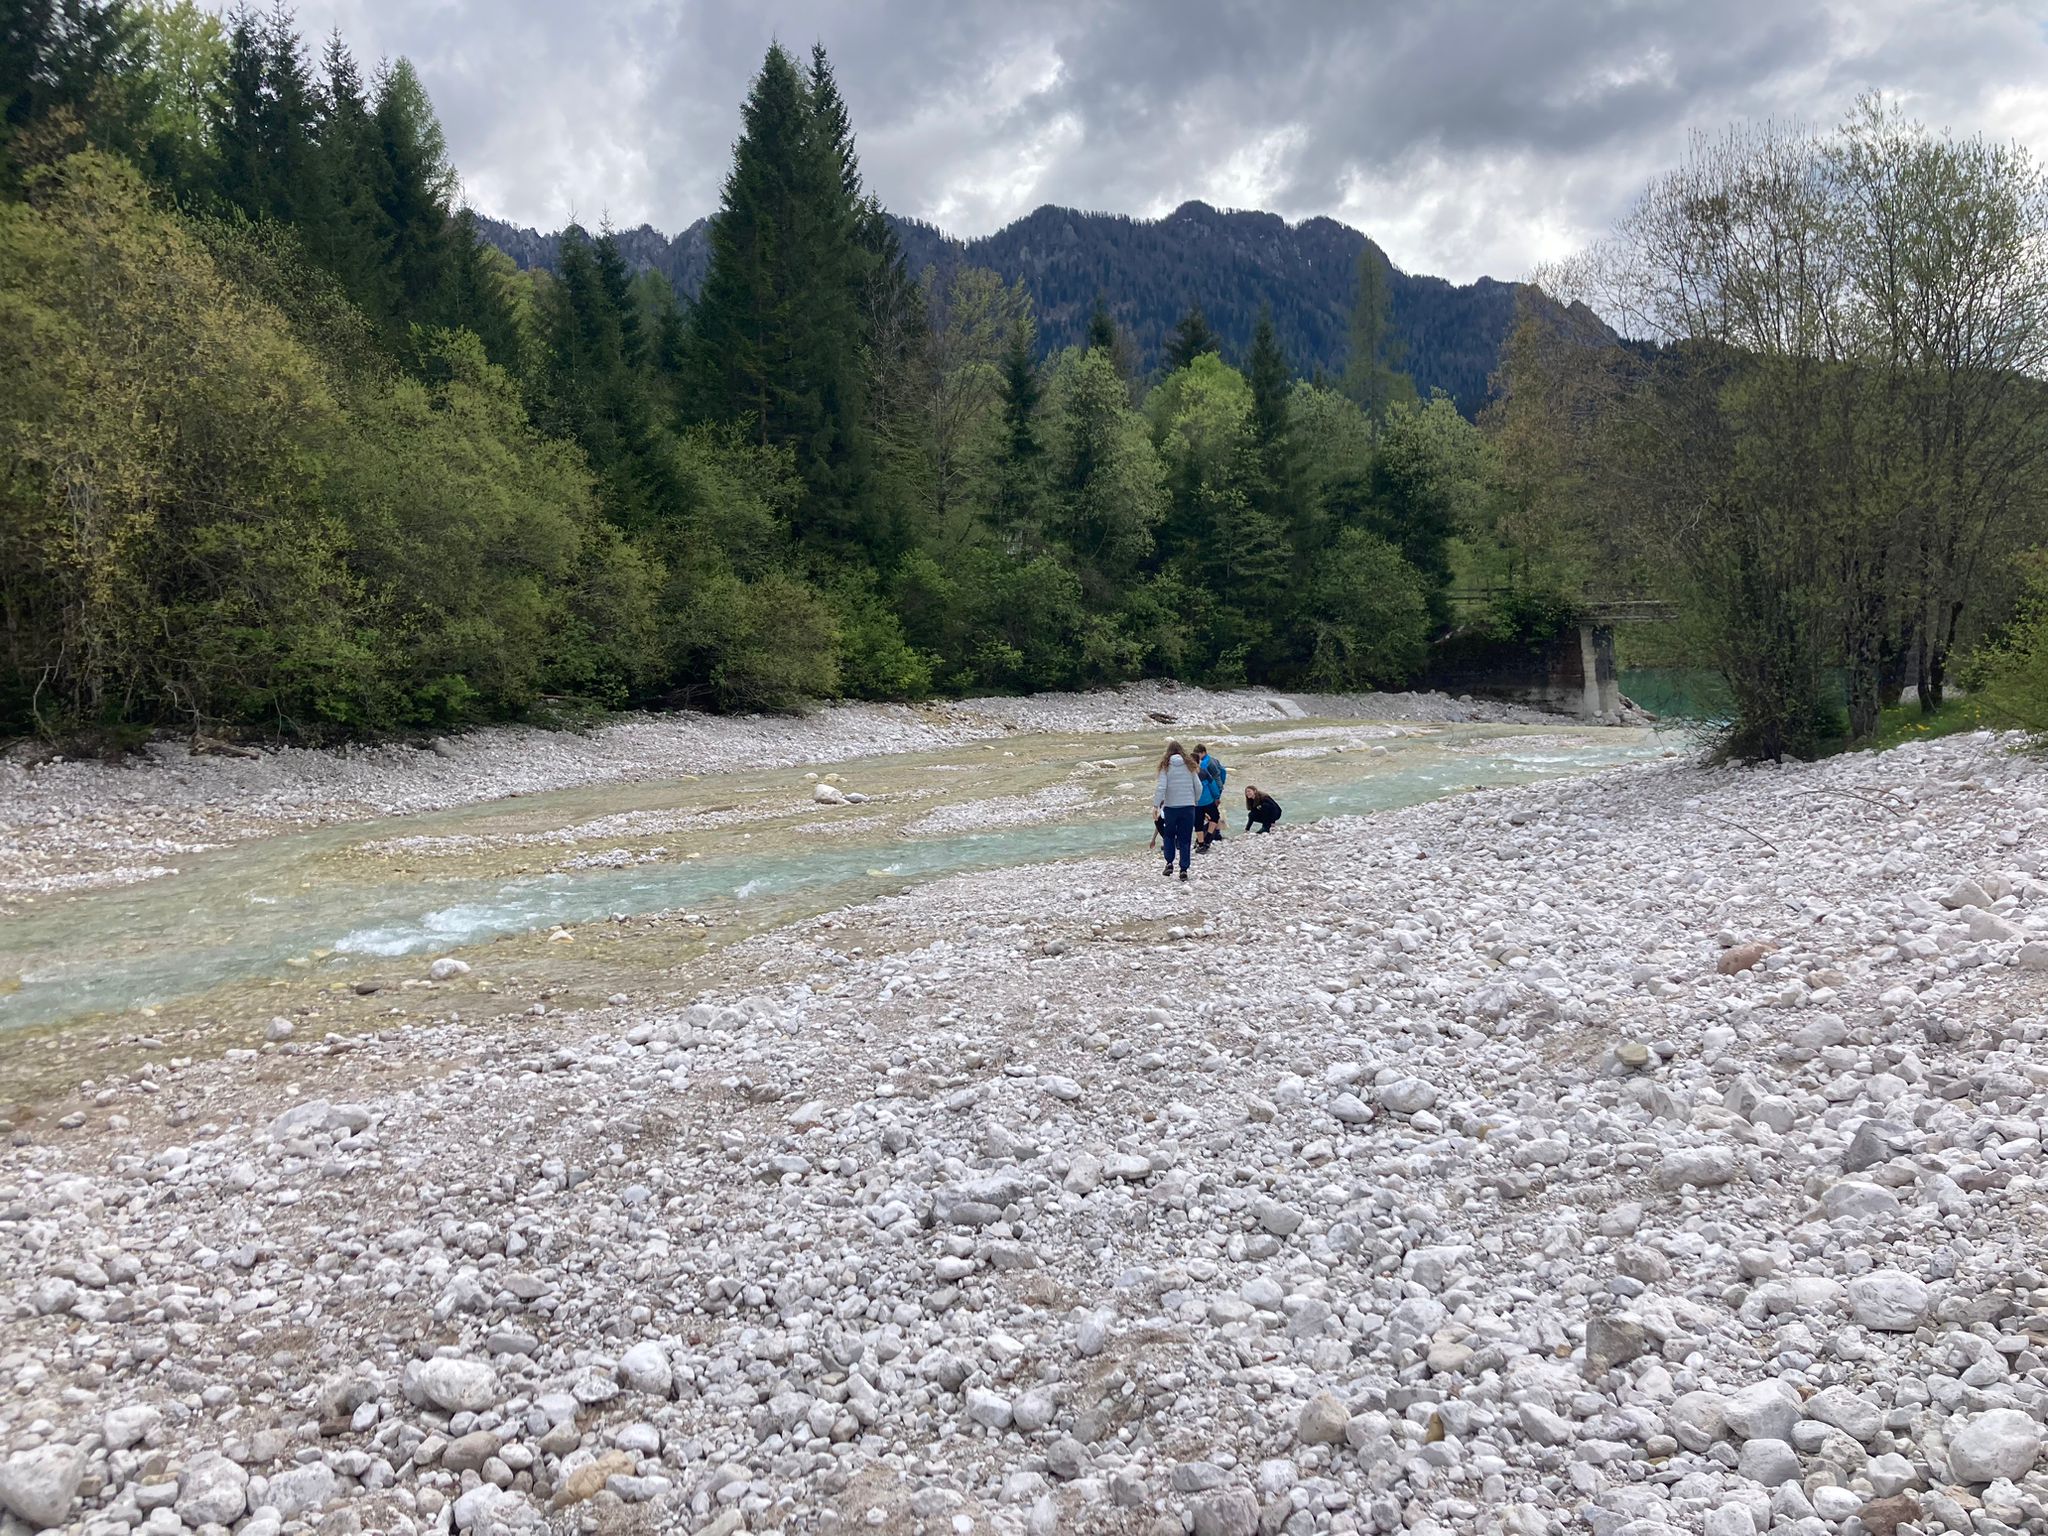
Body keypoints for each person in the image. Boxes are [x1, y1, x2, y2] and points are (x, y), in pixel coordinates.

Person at [1153, 740, 1200, 881]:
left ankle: (1169, 863)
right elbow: (1198, 786)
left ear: (1168, 752)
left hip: (1171, 808)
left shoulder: (1165, 766)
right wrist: (1195, 801)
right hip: (1188, 808)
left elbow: (1161, 787)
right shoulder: (1190, 765)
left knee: (1169, 836)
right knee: (1185, 839)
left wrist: (1156, 805)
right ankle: (1184, 869)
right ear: (1182, 751)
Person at [1193, 743, 1227, 853]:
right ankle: (1210, 837)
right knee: (1214, 816)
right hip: (1209, 799)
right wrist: (1217, 793)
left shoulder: (1193, 773)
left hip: (1197, 803)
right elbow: (1223, 771)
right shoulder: (1213, 761)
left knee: (1198, 821)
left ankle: (1201, 842)